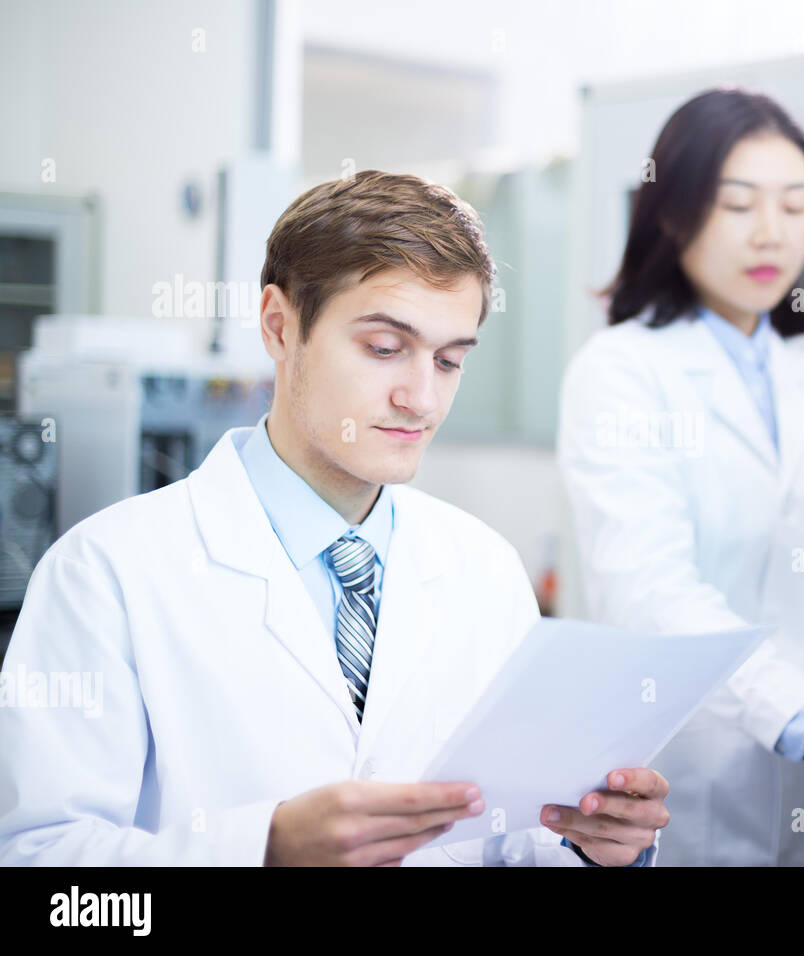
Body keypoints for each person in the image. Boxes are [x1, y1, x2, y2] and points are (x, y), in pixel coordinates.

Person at [0, 171, 667, 867]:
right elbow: (47, 871)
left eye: (449, 361)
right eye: (384, 349)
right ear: (280, 327)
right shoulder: (105, 574)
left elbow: (513, 840)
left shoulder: (484, 568)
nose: (421, 398)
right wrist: (264, 850)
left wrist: (592, 846)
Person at [557, 89, 804, 865]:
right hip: (685, 777)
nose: (772, 232)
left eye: (795, 204)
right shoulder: (620, 372)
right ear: (673, 214)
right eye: (738, 204)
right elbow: (650, 591)